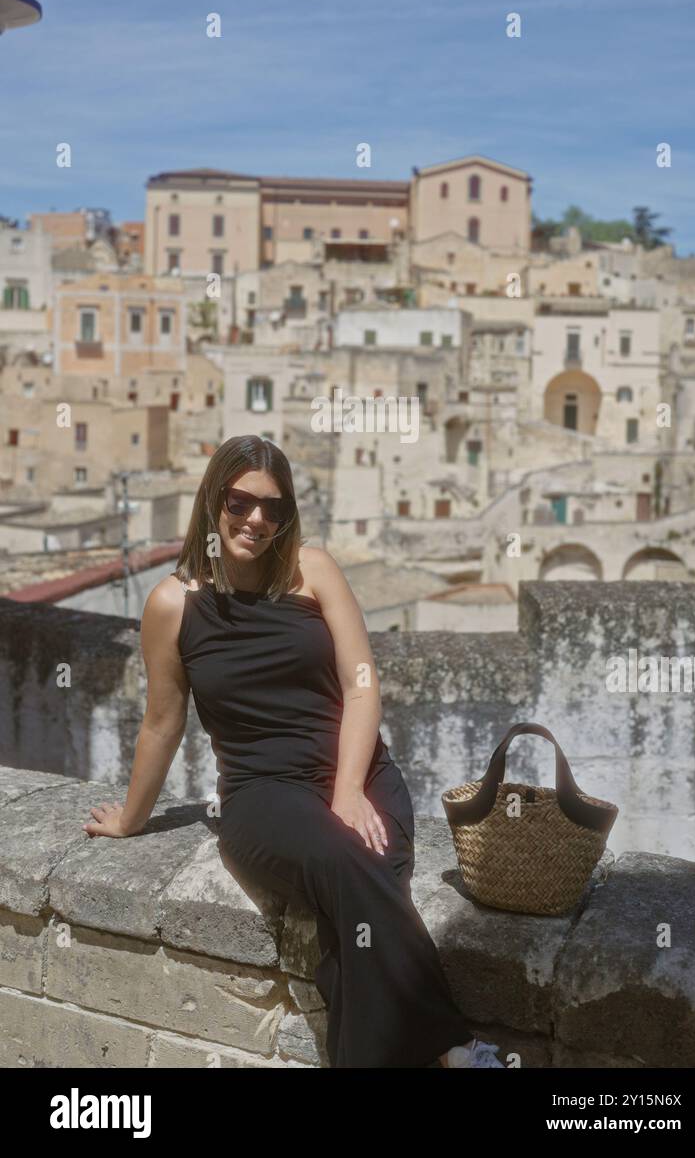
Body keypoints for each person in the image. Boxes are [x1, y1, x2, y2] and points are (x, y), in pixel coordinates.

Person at [83, 434, 504, 1070]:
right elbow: (162, 722)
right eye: (241, 501)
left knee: (352, 911)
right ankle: (454, 1046)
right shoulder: (172, 605)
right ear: (213, 499)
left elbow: (363, 685)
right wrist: (132, 818)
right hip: (263, 795)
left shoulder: (316, 571)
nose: (256, 519)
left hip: (361, 776)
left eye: (273, 508)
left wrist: (347, 790)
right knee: (350, 868)